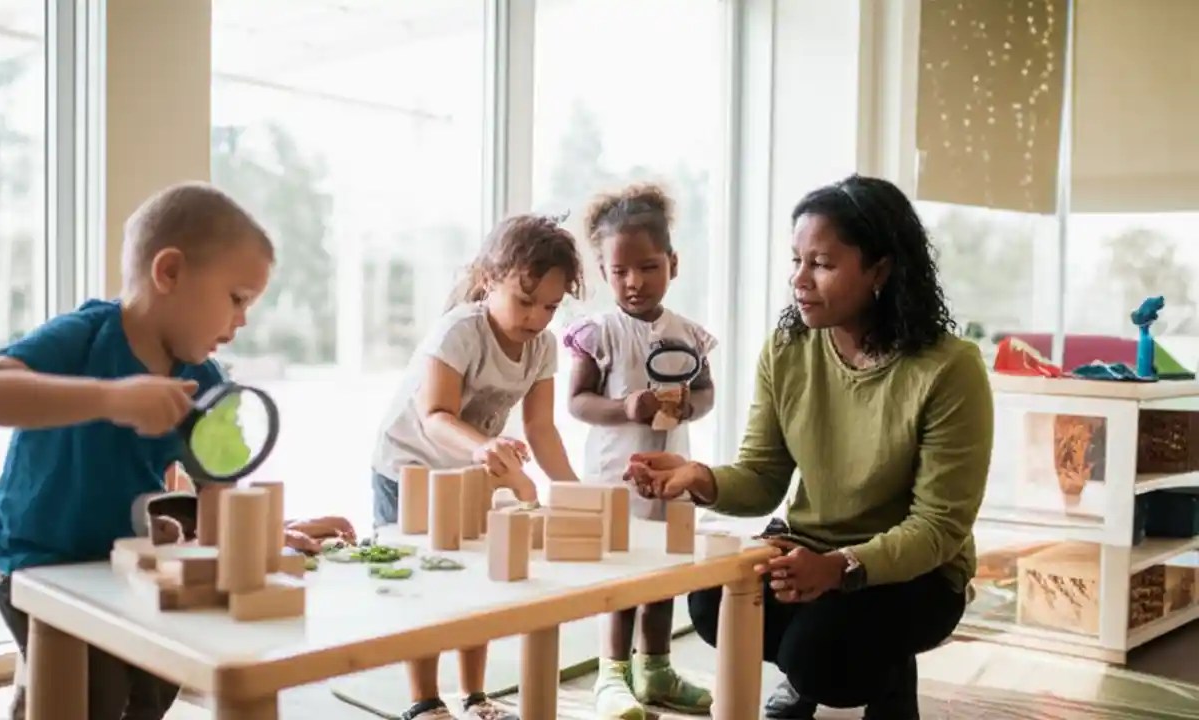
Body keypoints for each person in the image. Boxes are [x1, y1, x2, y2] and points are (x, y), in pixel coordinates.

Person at [624, 174, 993, 719]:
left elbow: (938, 527)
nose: (800, 280)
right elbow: (763, 474)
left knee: (823, 656)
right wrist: (699, 477)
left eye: (821, 263)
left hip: (918, 572)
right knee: (711, 603)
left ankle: (876, 680)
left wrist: (839, 567)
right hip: (804, 547)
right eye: (796, 260)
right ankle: (833, 665)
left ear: (881, 271)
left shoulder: (949, 368)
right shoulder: (788, 349)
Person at [0, 182, 274, 720]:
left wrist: (233, 554)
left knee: (153, 684)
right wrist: (109, 398)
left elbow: (219, 486)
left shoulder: (204, 378)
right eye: (236, 298)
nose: (241, 320)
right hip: (32, 558)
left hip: (117, 567)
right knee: (90, 694)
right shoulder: (84, 336)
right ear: (168, 272)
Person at [371, 213, 585, 720]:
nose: (536, 317)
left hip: (471, 468)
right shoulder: (460, 330)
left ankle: (475, 696)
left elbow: (542, 430)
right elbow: (434, 416)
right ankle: (425, 701)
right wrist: (483, 448)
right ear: (490, 280)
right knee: (425, 583)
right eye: (525, 301)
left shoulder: (543, 347)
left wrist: (578, 493)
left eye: (551, 306)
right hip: (410, 467)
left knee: (479, 583)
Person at [563, 183, 716, 720]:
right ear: (603, 273)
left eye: (649, 267)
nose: (635, 282)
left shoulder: (689, 334)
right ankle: (612, 675)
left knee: (665, 574)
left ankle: (656, 670)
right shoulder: (598, 333)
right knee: (623, 577)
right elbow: (578, 402)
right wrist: (625, 408)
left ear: (673, 263)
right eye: (620, 271)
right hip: (615, 477)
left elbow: (706, 393)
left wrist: (688, 408)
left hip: (673, 475)